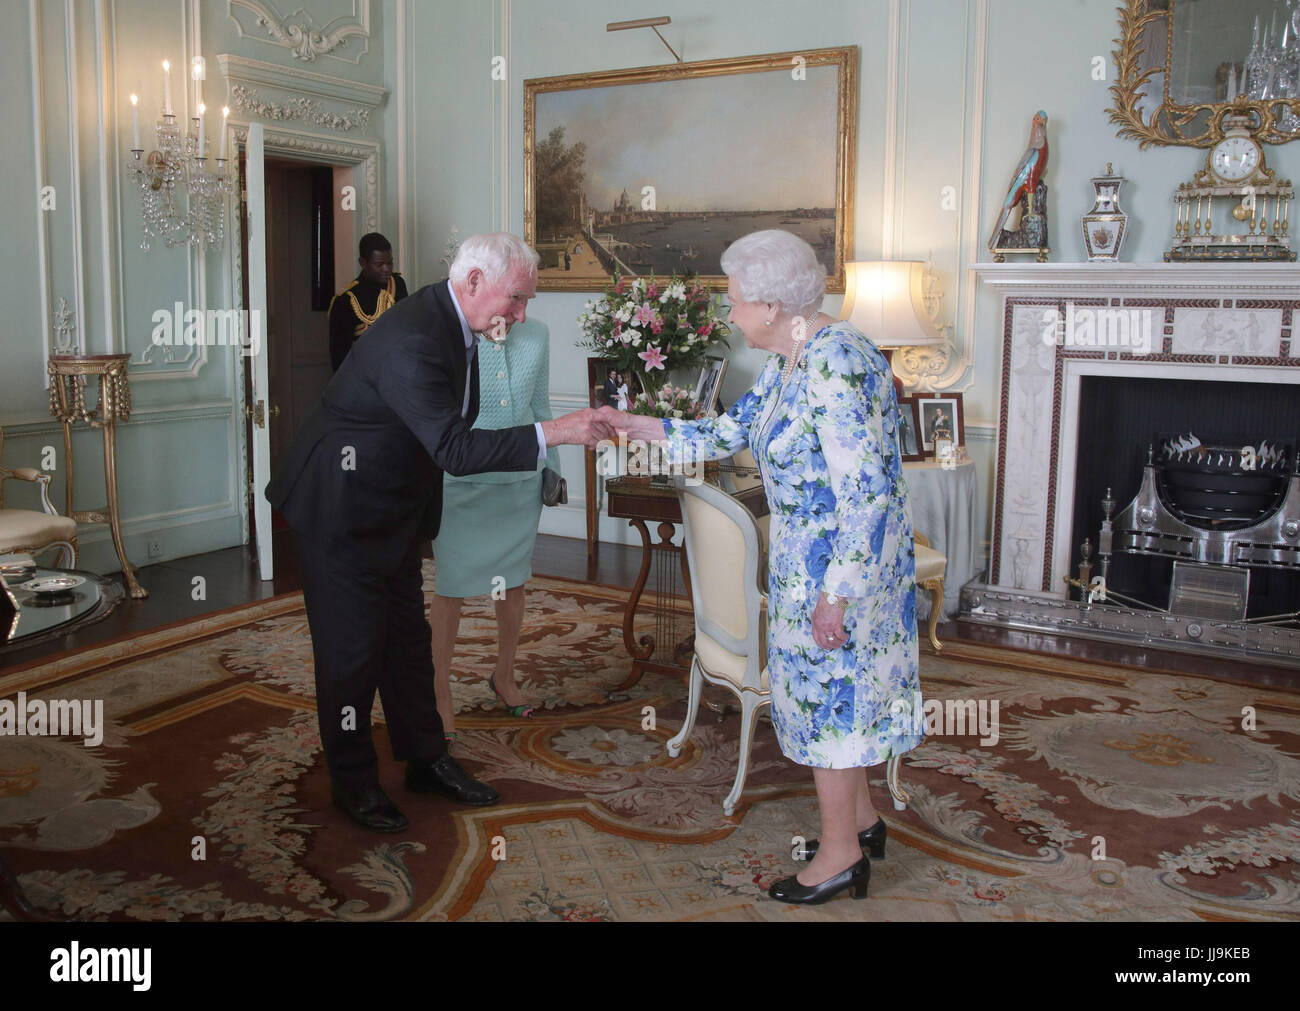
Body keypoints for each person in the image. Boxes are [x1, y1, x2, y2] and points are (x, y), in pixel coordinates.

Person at [602, 230, 922, 904]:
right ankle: (862, 823)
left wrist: (836, 593)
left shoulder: (835, 362)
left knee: (835, 704)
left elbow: (866, 492)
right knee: (843, 698)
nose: (730, 311)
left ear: (773, 305)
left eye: (737, 299)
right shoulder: (792, 356)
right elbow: (728, 430)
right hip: (815, 566)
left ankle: (837, 856)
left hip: (843, 570)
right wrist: (643, 429)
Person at [266, 232, 610, 833]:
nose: (521, 314)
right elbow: (453, 446)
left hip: (392, 507)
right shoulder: (415, 338)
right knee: (352, 653)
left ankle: (426, 760)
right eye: (517, 299)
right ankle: (353, 782)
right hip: (340, 506)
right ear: (474, 282)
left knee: (405, 639)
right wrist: (556, 433)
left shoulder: (455, 319)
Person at [430, 315, 559, 738]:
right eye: (515, 294)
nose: (521, 307)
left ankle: (504, 676)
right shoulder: (451, 331)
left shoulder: (537, 333)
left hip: (520, 479)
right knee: (451, 587)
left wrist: (552, 469)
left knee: (513, 582)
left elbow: (540, 407)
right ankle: (439, 693)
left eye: (527, 297)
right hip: (459, 479)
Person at [329, 232, 409, 372]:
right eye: (379, 264)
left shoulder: (398, 284)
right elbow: (340, 356)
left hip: (399, 370)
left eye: (390, 263)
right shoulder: (346, 300)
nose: (386, 269)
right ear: (363, 263)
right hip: (366, 375)